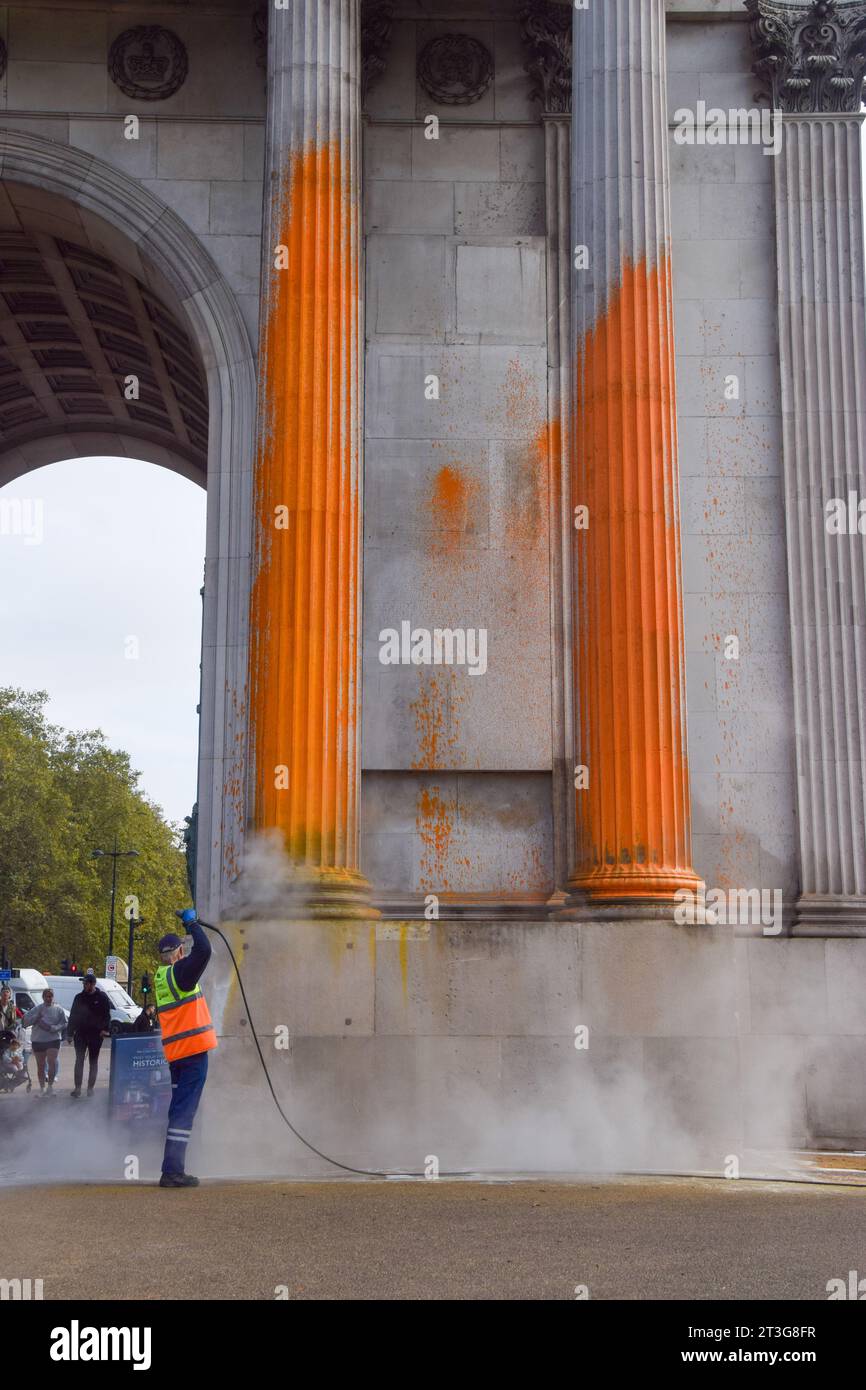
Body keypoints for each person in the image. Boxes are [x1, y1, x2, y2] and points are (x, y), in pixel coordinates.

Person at [154, 909, 217, 1188]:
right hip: (192, 1054)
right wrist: (191, 923)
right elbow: (204, 950)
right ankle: (173, 1171)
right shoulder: (181, 974)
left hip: (177, 1056)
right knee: (184, 1112)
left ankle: (172, 1167)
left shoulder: (162, 977)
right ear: (179, 952)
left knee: (178, 1109)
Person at [66, 974, 111, 1097]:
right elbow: (73, 1016)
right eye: (84, 984)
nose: (84, 986)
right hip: (80, 1033)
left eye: (86, 983)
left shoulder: (102, 997)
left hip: (96, 1034)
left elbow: (107, 1015)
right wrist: (69, 1033)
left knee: (93, 1061)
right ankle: (77, 1088)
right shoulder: (79, 998)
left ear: (92, 984)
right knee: (79, 1060)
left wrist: (105, 1029)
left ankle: (90, 1088)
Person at [21, 989, 67, 1096]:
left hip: (53, 1039)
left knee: (52, 1062)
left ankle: (50, 1087)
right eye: (47, 996)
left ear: (53, 997)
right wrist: (36, 1017)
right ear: (43, 997)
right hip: (38, 1040)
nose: (49, 998)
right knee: (40, 1065)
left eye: (51, 996)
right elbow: (25, 1022)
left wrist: (54, 1028)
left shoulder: (58, 1009)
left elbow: (64, 1023)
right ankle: (42, 1088)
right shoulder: (37, 1009)